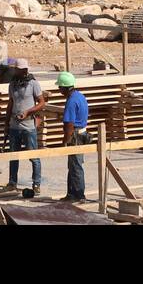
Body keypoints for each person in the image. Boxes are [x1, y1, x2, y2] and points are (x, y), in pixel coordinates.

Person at [0, 59, 46, 197]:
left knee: (33, 156)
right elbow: (10, 103)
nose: (21, 72)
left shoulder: (33, 84)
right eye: (19, 69)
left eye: (23, 70)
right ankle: (12, 182)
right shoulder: (12, 84)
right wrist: (6, 123)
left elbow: (42, 102)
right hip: (14, 126)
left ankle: (36, 184)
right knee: (13, 155)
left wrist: (28, 112)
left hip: (28, 126)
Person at [56, 71, 89, 202]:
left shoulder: (71, 101)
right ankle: (71, 194)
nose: (59, 89)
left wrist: (65, 141)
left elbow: (69, 125)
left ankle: (79, 195)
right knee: (74, 165)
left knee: (76, 166)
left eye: (60, 87)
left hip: (75, 136)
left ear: (65, 87)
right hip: (82, 133)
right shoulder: (80, 96)